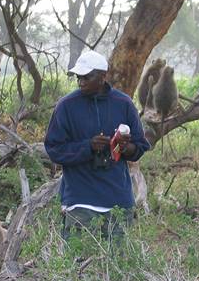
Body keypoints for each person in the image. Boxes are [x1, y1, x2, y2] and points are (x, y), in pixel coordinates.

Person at [44, 50, 152, 240]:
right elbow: (54, 149)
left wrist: (125, 148)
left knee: (118, 266)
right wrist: (88, 147)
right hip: (80, 202)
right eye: (79, 77)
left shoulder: (123, 104)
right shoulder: (66, 106)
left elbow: (140, 146)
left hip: (118, 202)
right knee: (78, 266)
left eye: (87, 77)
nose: (81, 82)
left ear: (103, 77)